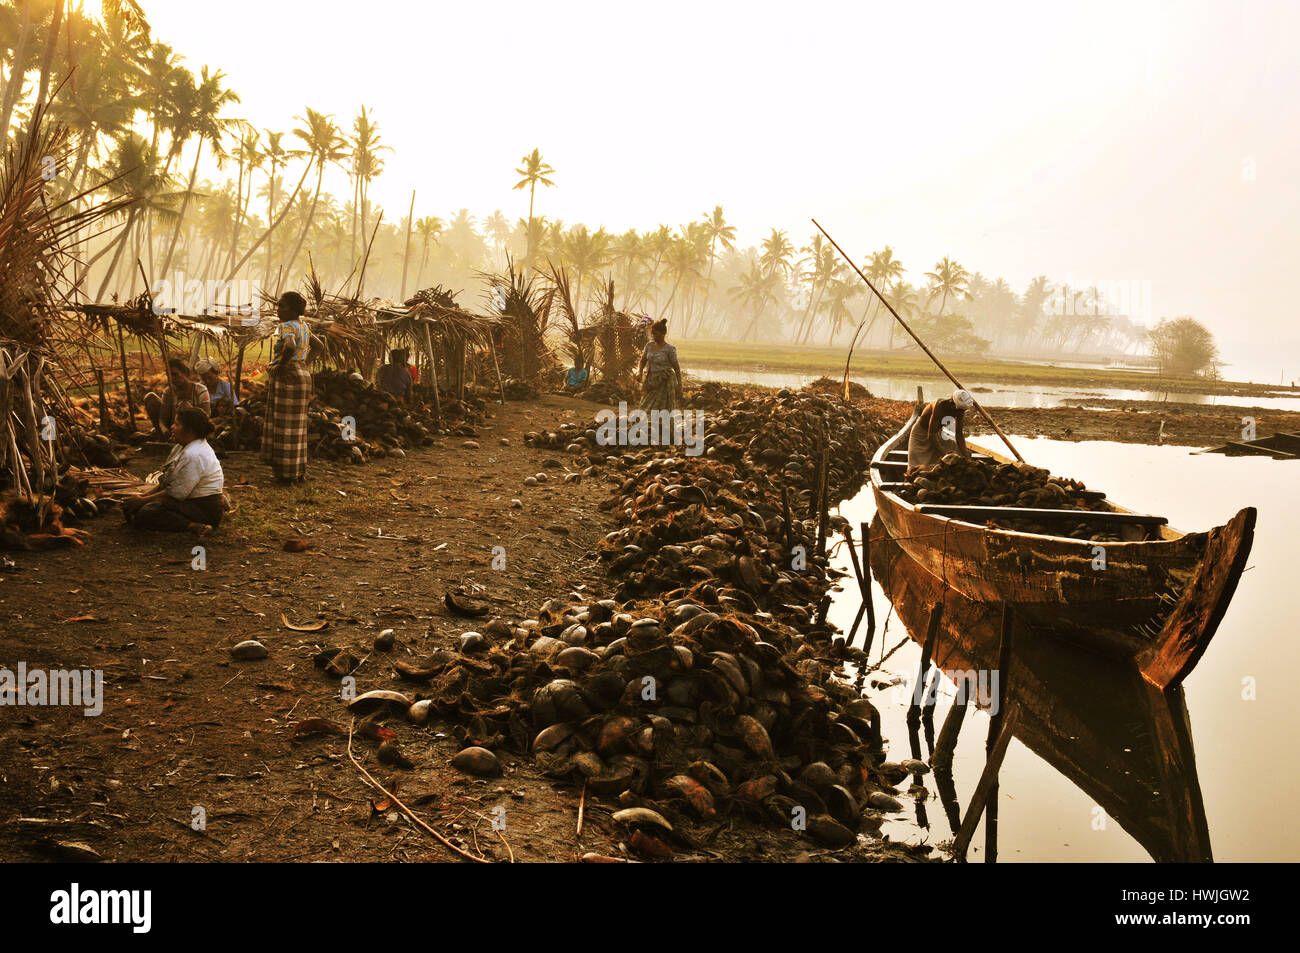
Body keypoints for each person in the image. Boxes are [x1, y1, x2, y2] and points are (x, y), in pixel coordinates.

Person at [123, 408, 224, 535]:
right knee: (140, 508)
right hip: (188, 502)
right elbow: (165, 483)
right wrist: (141, 497)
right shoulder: (181, 447)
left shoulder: (194, 455)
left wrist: (142, 501)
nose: (172, 427)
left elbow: (175, 495)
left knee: (146, 513)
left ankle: (193, 525)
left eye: (176, 424)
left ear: (189, 430)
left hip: (203, 509)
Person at [261, 291, 313, 482]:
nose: (278, 309)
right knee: (297, 427)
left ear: (293, 309)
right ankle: (297, 472)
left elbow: (290, 346)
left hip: (288, 376)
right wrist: (303, 364)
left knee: (283, 426)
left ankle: (283, 474)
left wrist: (280, 366)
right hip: (302, 376)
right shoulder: (304, 326)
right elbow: (319, 346)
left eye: (282, 306)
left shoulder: (287, 326)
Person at [908, 388, 974, 469]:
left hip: (937, 434)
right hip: (920, 434)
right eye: (960, 410)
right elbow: (931, 435)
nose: (961, 412)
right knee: (916, 465)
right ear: (952, 404)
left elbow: (959, 435)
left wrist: (966, 455)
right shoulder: (939, 406)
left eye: (963, 410)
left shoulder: (960, 411)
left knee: (957, 450)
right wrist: (945, 454)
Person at [144, 358, 210, 434]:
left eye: (175, 374)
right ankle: (162, 436)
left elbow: (206, 416)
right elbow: (162, 418)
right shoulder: (169, 392)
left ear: (184, 373)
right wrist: (164, 429)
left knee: (185, 405)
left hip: (193, 430)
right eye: (169, 375)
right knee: (150, 398)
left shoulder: (200, 390)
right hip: (173, 428)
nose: (172, 378)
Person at [636, 319, 683, 412]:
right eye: (652, 333)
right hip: (651, 380)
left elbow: (676, 368)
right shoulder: (649, 346)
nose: (653, 336)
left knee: (662, 408)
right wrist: (639, 372)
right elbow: (642, 361)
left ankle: (661, 425)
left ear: (663, 334)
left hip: (665, 381)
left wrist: (679, 385)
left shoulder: (670, 349)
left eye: (656, 334)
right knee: (645, 406)